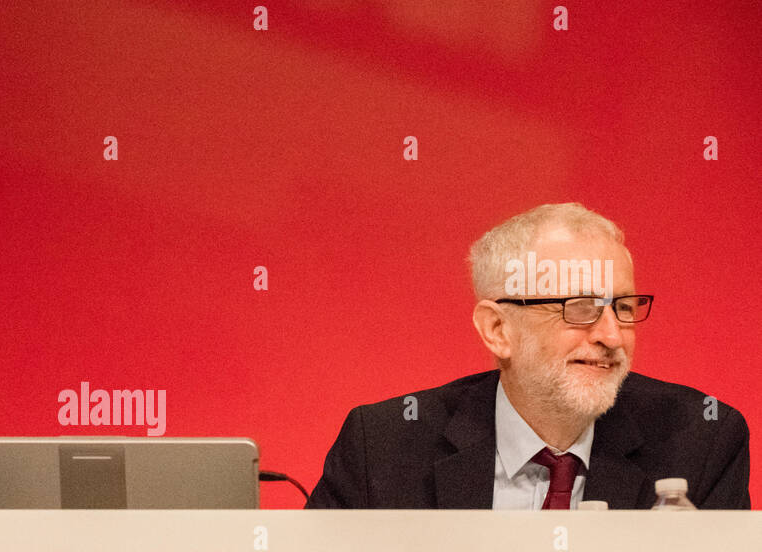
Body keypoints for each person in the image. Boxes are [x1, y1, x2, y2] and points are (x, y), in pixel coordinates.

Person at [306, 203, 750, 509]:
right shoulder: (384, 448)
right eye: (580, 308)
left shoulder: (700, 442)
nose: (613, 335)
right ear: (499, 330)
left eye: (624, 307)